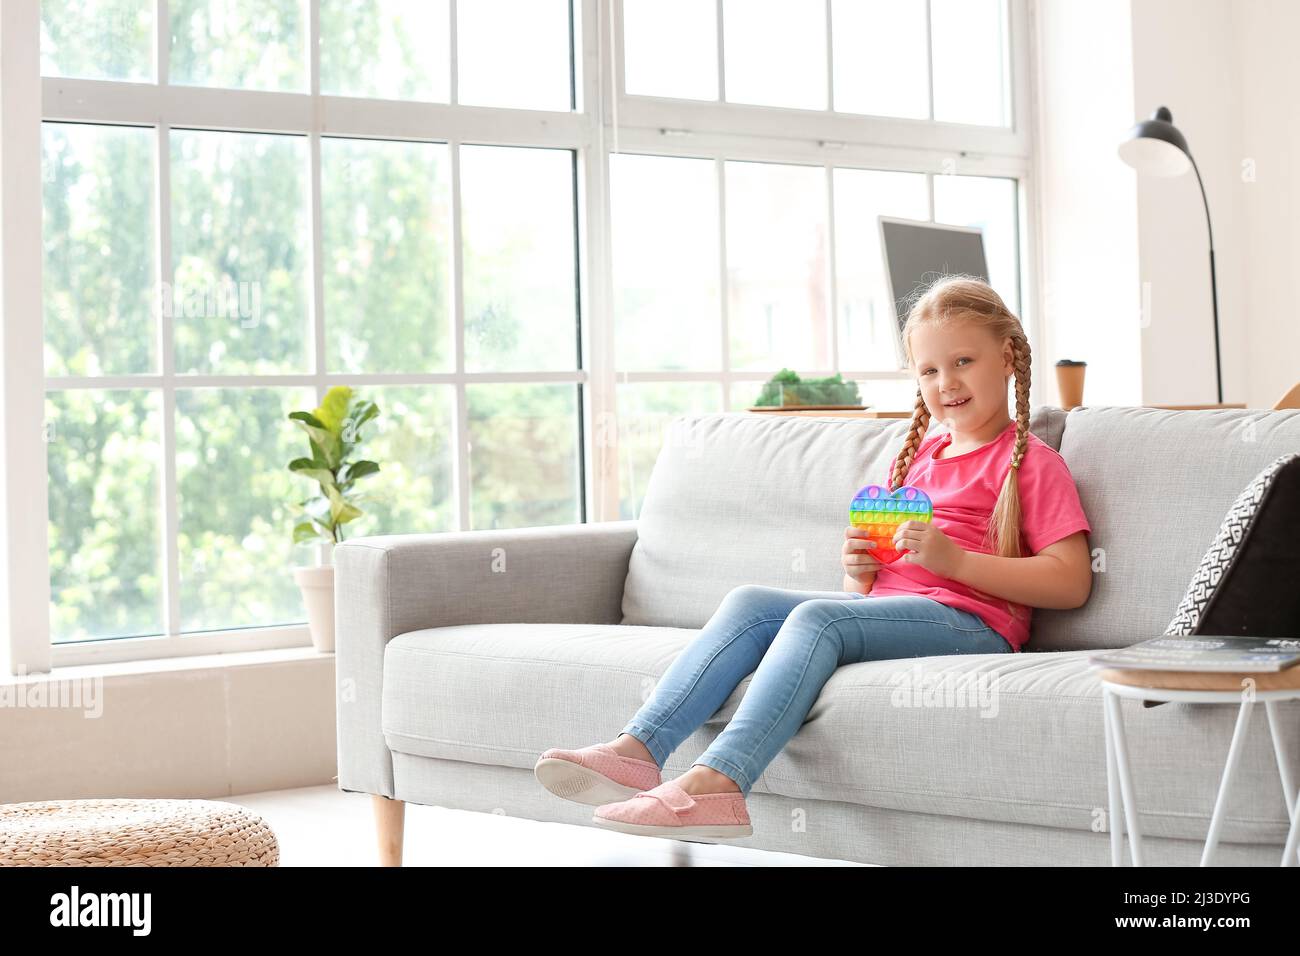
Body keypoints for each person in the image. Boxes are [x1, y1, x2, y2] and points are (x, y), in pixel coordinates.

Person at [534, 275, 1093, 841]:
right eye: (928, 370)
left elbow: (1071, 582)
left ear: (1006, 357)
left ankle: (721, 783)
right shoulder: (924, 456)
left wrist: (957, 563)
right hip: (902, 611)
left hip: (973, 624)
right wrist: (860, 570)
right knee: (749, 603)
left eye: (963, 361)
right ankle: (637, 749)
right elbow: (861, 602)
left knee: (814, 618)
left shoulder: (1031, 463)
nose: (946, 382)